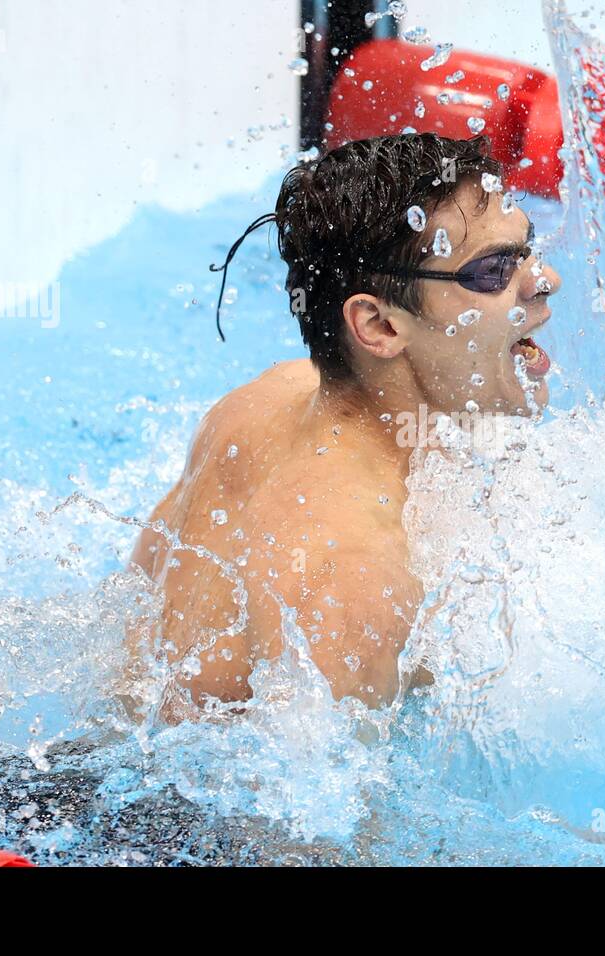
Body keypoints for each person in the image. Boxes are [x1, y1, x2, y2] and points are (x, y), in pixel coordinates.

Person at [128, 133, 561, 717]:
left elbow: (131, 636)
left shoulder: (270, 396)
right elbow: (320, 805)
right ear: (379, 326)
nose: (544, 279)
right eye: (492, 271)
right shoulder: (354, 583)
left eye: (527, 251)